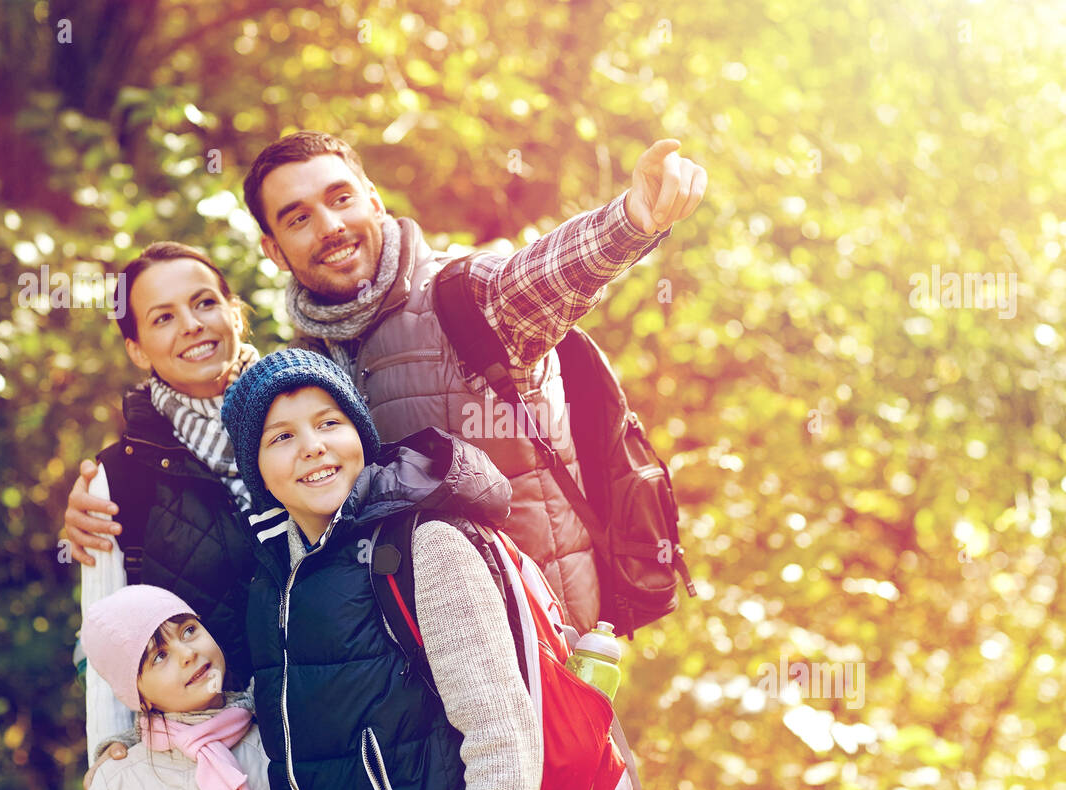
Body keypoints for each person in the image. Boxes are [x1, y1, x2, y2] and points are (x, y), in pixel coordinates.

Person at [66, 133, 707, 636]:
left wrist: (632, 219)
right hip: (410, 674)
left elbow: (544, 272)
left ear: (374, 200)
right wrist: (98, 492)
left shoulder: (465, 298)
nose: (330, 226)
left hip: (546, 650)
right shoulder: (307, 364)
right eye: (298, 218)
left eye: (341, 198)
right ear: (273, 250)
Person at [220, 347, 543, 790]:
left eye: (329, 423)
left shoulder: (422, 546)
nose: (312, 446)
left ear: (360, 434)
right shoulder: (270, 583)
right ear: (256, 471)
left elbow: (500, 733)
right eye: (282, 436)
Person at [76, 242, 262, 761]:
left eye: (204, 303)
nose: (191, 324)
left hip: (343, 728)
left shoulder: (311, 418)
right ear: (137, 349)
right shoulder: (115, 480)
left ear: (235, 313)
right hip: (211, 763)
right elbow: (105, 635)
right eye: (163, 318)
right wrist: (109, 753)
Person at [75, 584, 281, 790]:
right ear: (139, 698)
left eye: (189, 630)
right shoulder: (117, 780)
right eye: (159, 656)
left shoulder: (275, 752)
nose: (188, 653)